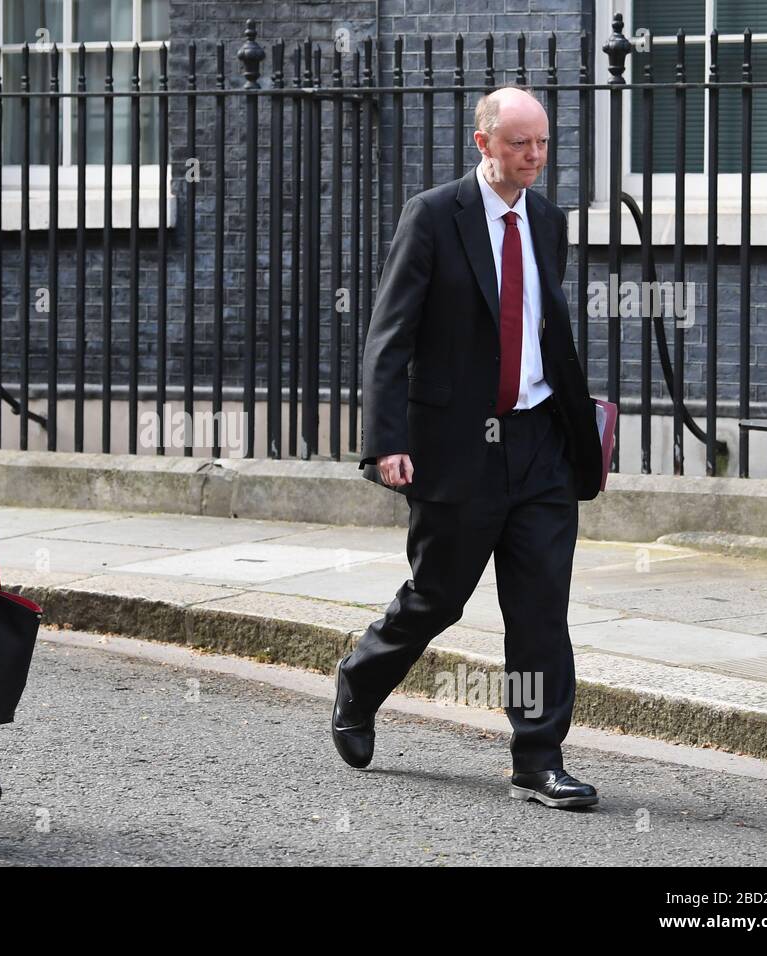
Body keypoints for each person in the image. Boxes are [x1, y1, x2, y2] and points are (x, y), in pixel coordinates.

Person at [333, 87, 605, 809]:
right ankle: (361, 680)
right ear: (482, 143)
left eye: (542, 142)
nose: (535, 156)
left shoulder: (548, 222)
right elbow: (389, 335)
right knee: (437, 597)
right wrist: (387, 440)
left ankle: (537, 756)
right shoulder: (432, 216)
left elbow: (540, 326)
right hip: (460, 446)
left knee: (541, 608)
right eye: (520, 143)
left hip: (539, 442)